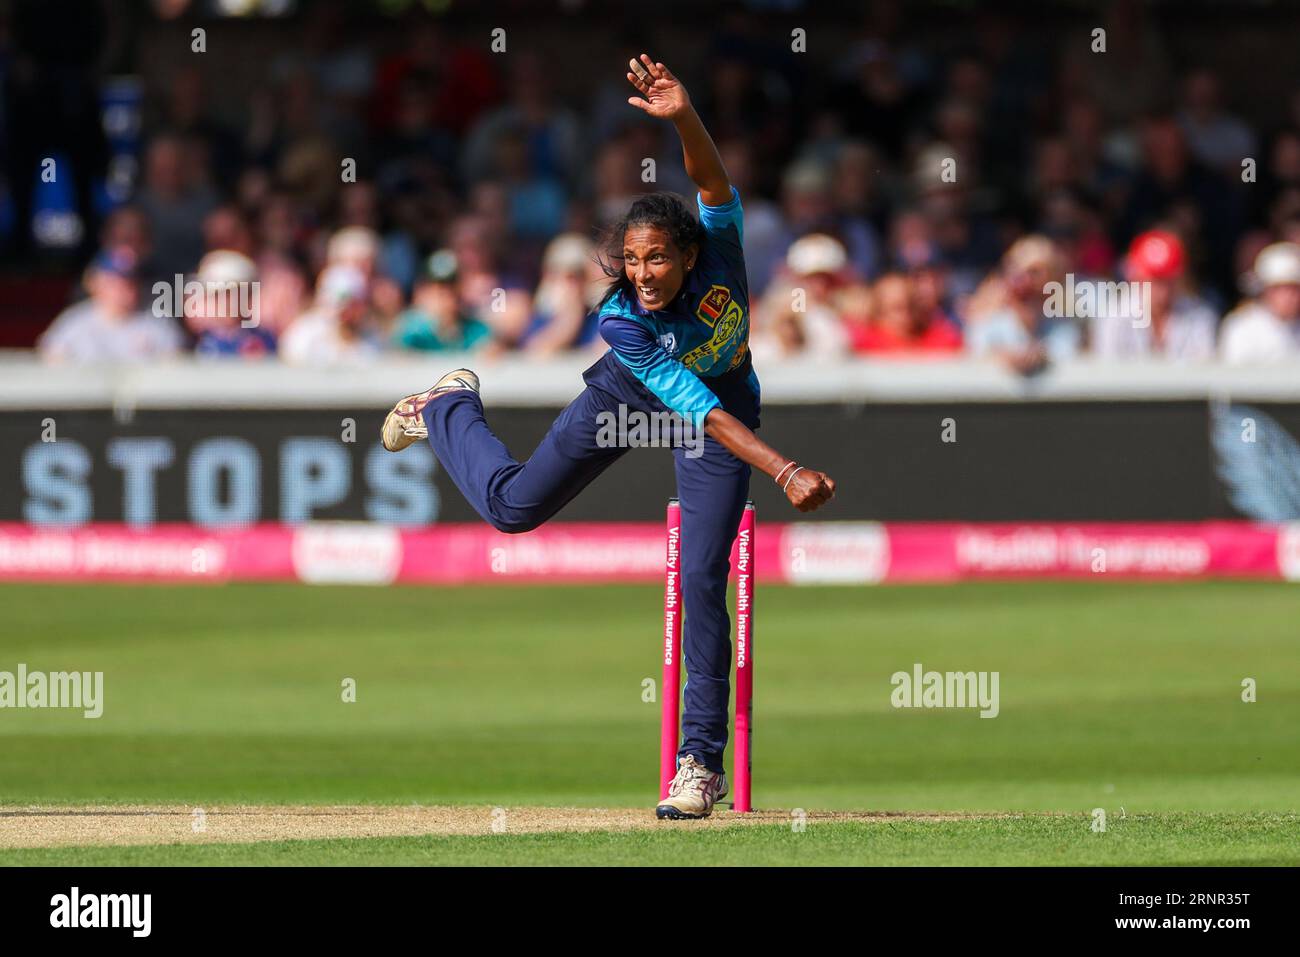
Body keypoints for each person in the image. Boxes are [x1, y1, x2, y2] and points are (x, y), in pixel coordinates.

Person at [379, 55, 837, 820]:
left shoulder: (721, 247)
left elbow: (714, 184)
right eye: (631, 259)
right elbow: (693, 408)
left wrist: (684, 116)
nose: (644, 272)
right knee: (512, 509)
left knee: (700, 578)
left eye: (657, 257)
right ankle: (450, 404)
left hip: (724, 406)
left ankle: (699, 764)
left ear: (688, 253)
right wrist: (785, 469)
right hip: (643, 395)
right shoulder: (622, 321)